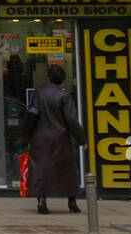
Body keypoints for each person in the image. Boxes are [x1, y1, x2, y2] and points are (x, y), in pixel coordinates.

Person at [27, 65, 87, 215]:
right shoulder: (64, 96)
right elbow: (71, 120)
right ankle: (72, 201)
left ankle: (41, 200)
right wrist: (82, 140)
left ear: (48, 76)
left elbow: (31, 114)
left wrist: (26, 134)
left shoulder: (38, 93)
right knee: (67, 170)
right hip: (60, 137)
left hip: (40, 137)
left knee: (41, 169)